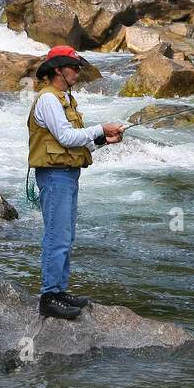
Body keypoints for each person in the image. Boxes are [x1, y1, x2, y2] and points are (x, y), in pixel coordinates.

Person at [27, 45, 124, 320]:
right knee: (56, 236)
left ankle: (59, 291)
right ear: (58, 69)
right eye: (74, 67)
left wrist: (103, 140)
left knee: (65, 237)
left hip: (67, 175)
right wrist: (100, 128)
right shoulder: (48, 99)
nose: (78, 72)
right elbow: (67, 138)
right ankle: (49, 297)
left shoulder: (63, 98)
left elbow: (74, 146)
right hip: (55, 177)